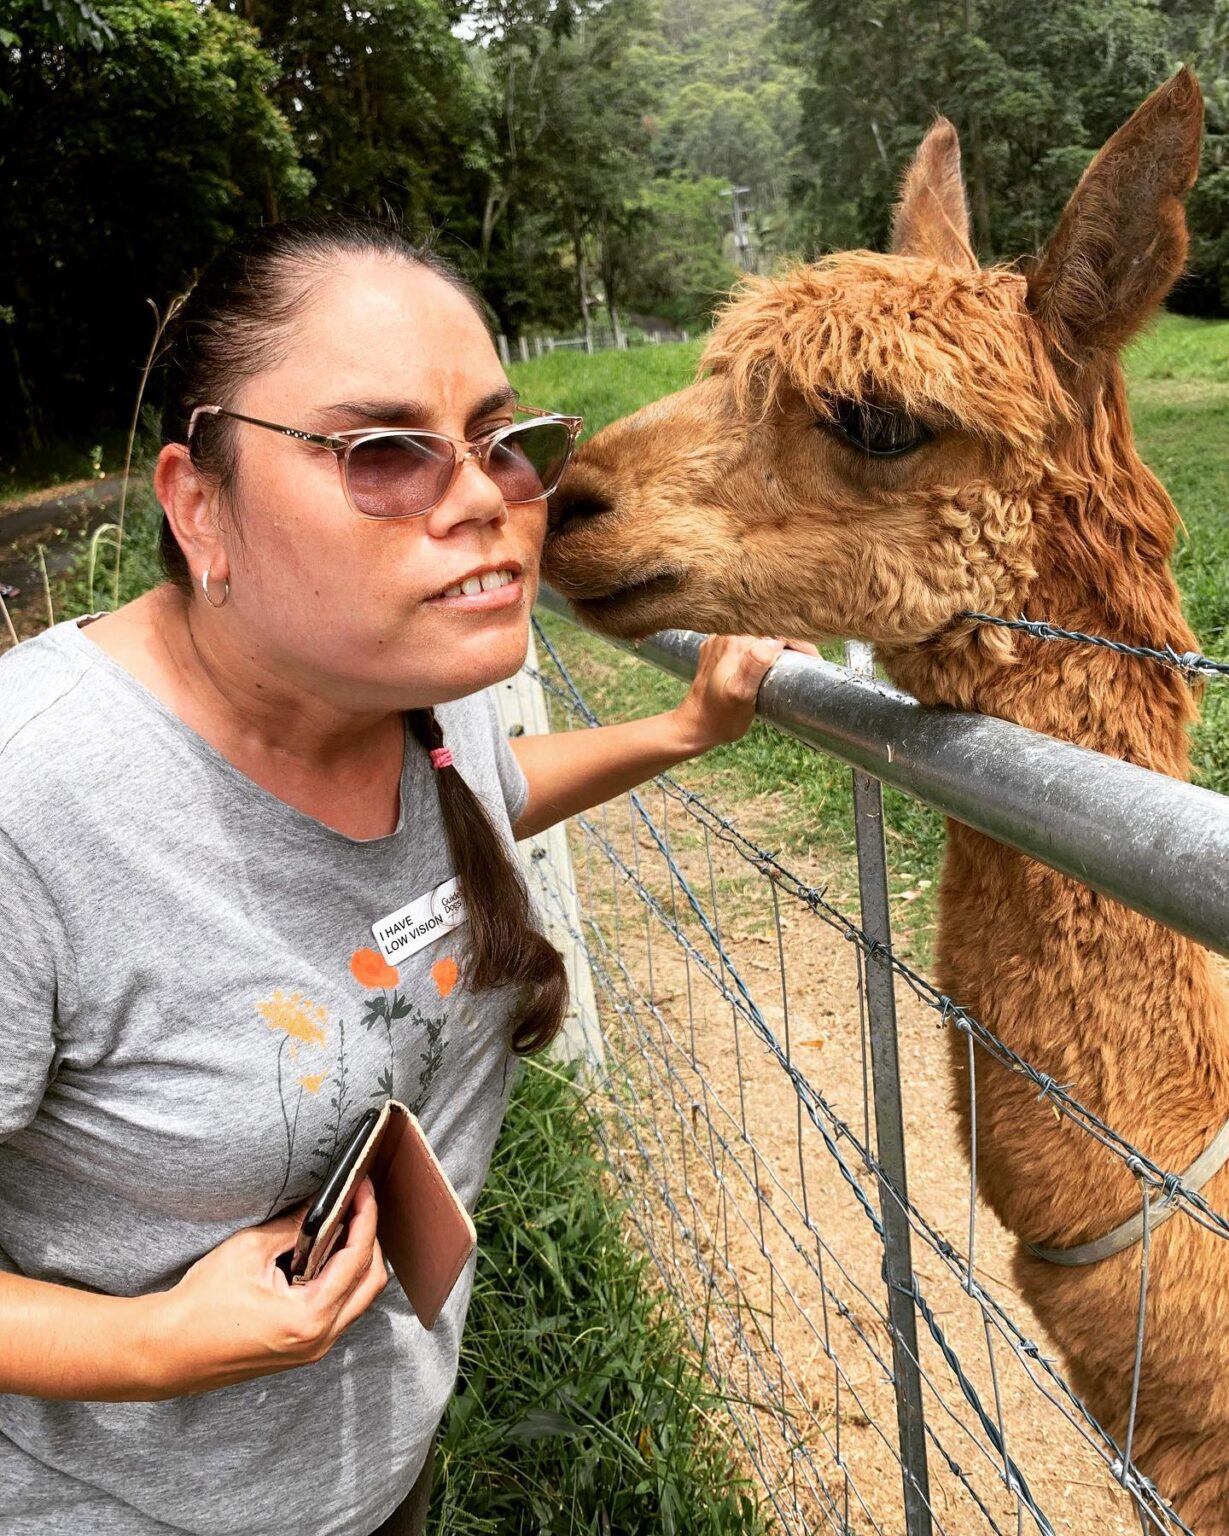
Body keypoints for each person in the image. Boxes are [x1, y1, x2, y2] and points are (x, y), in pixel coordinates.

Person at [0, 216, 806, 1536]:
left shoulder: (415, 686)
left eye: (499, 441)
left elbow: (479, 799)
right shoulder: (32, 806)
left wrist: (680, 731)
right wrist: (156, 1343)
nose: (486, 496)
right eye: (381, 454)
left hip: (380, 1479)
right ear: (198, 504)